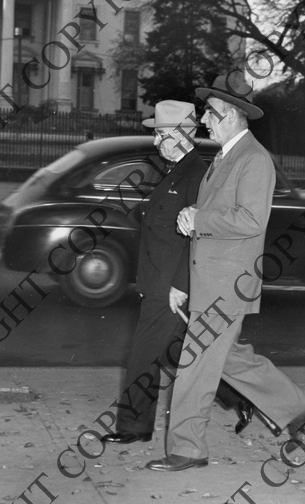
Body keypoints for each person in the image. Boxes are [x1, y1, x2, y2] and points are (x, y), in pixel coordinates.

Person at [146, 76, 305, 472]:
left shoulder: (253, 159)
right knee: (228, 359)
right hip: (214, 280)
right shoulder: (227, 155)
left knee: (194, 365)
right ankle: (297, 407)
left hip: (228, 283)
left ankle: (188, 449)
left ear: (232, 115)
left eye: (210, 113)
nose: (204, 120)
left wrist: (199, 218)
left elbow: (252, 220)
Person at [103, 100, 264, 445]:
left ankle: (133, 428)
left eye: (165, 135)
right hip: (158, 277)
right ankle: (241, 399)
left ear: (185, 135)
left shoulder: (196, 174)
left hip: (171, 282)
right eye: (157, 135)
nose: (159, 142)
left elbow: (199, 236)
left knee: (145, 355)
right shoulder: (172, 169)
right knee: (179, 353)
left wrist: (181, 284)